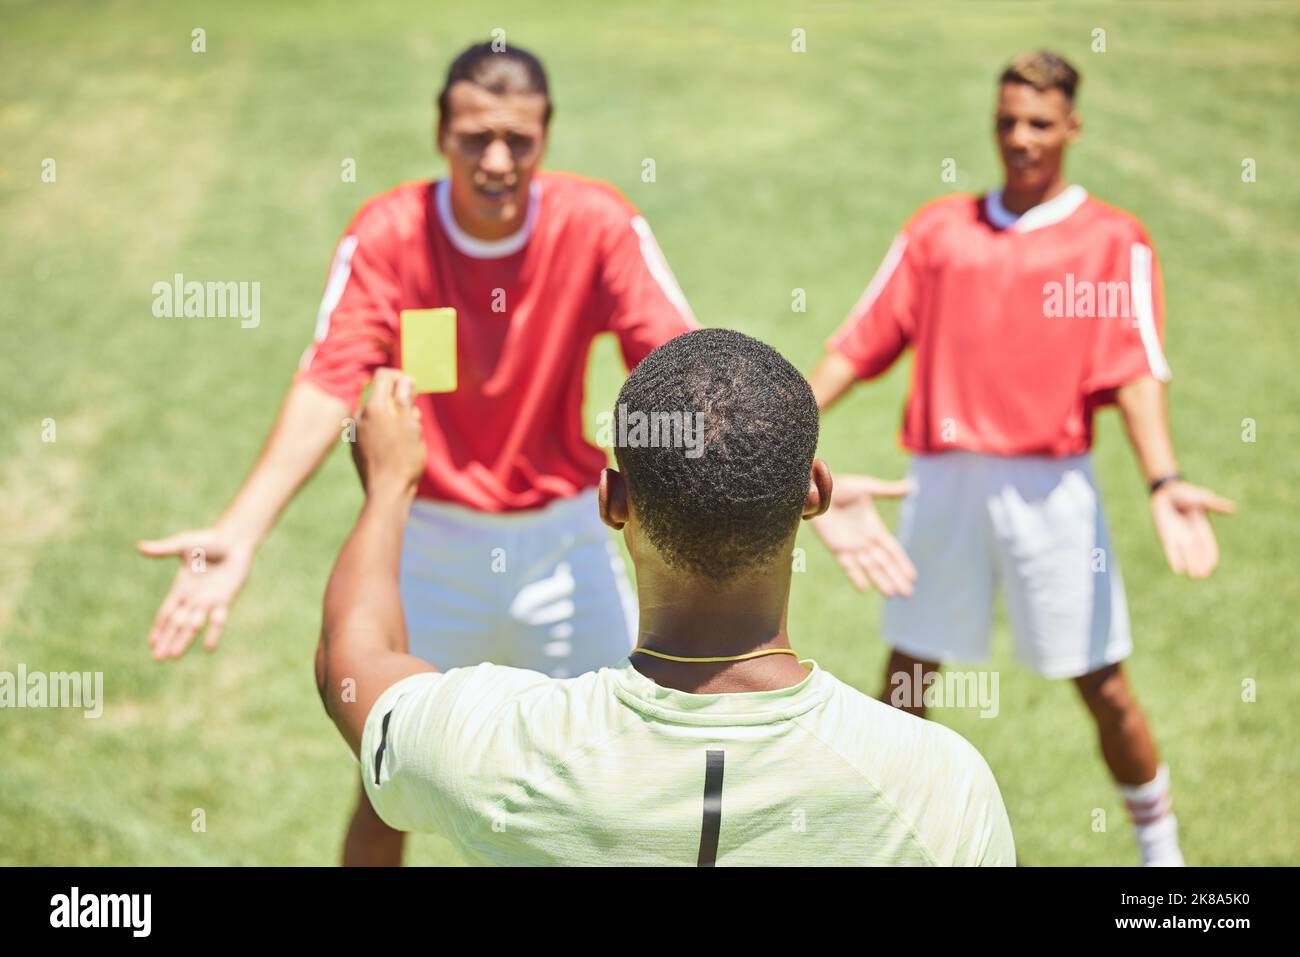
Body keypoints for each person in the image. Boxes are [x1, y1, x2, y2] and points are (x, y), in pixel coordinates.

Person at [137, 41, 696, 865]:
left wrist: (772, 475)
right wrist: (241, 529)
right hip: (431, 542)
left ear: (547, 137)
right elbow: (330, 381)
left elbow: (684, 365)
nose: (497, 160)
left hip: (566, 542)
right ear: (441, 133)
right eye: (475, 137)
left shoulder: (598, 221)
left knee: (631, 775)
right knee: (388, 780)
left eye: (519, 139)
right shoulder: (391, 232)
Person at [317, 334, 1015, 866]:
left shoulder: (503, 749)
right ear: (816, 493)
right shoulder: (941, 783)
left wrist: (389, 487)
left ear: (613, 502)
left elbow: (353, 660)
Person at [807, 51, 1235, 866]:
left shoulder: (1114, 240)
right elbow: (860, 344)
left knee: (1101, 683)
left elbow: (1135, 370)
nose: (1020, 138)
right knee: (908, 676)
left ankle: (1162, 853)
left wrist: (1165, 478)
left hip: (1051, 491)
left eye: (1039, 123)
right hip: (942, 480)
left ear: (1072, 126)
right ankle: (870, 844)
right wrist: (777, 421)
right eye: (1007, 122)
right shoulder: (938, 230)